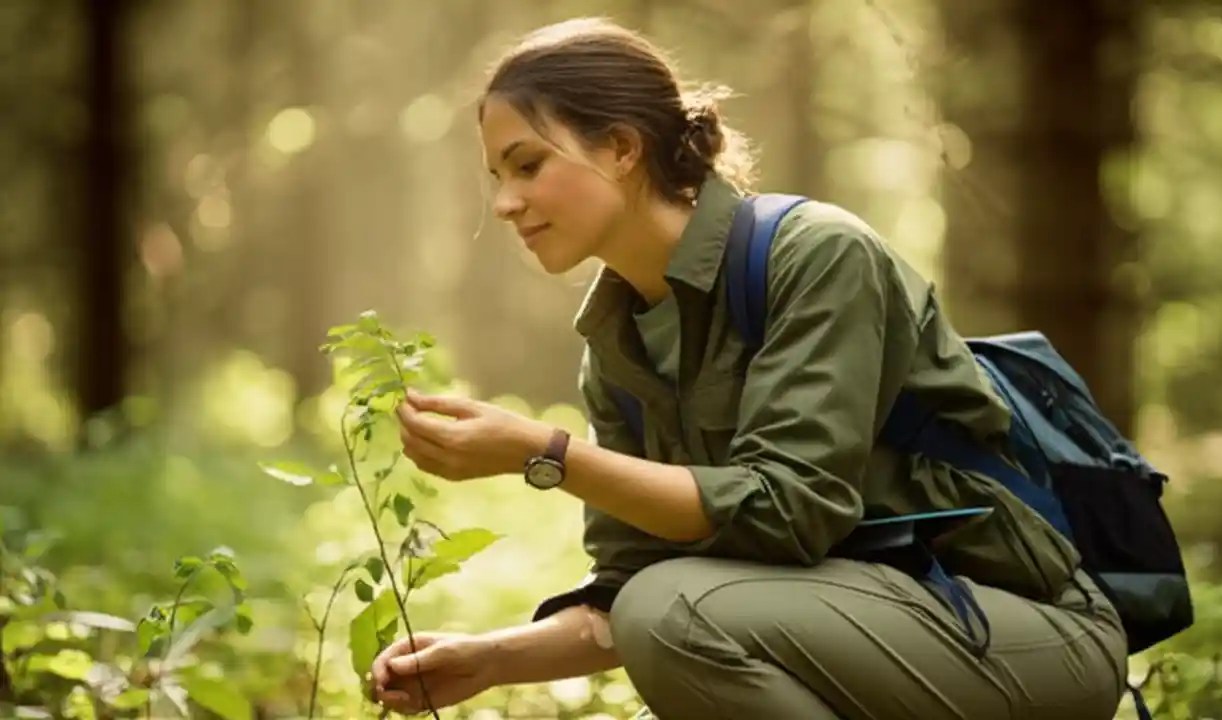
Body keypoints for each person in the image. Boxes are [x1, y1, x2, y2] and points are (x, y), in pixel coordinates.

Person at [372, 16, 1128, 720]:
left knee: (673, 616)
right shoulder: (618, 345)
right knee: (663, 612)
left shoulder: (817, 255)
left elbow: (789, 511)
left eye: (527, 165)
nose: (505, 203)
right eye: (496, 178)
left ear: (622, 148)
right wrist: (490, 660)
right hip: (859, 632)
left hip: (1026, 631)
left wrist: (548, 456)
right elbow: (623, 594)